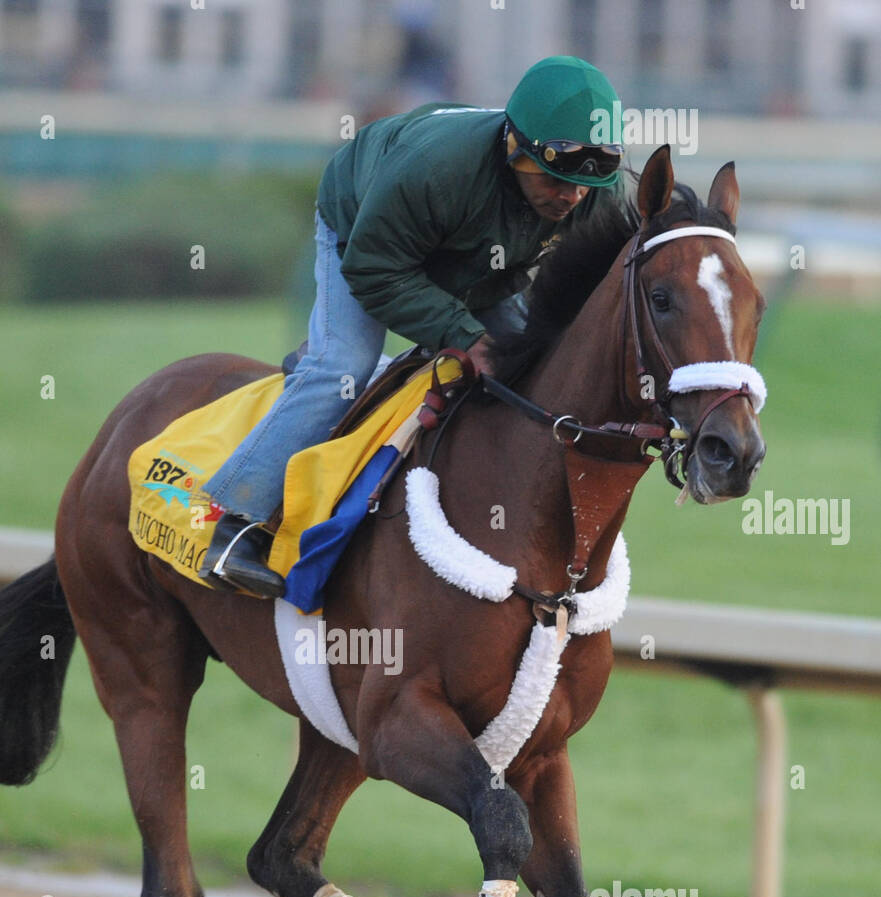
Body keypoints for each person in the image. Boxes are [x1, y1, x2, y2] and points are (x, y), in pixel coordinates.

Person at [200, 54, 626, 597]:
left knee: (530, 369)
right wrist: (466, 336)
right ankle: (235, 524)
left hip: (478, 258)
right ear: (515, 148)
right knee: (343, 367)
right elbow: (374, 270)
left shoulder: (591, 187)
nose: (570, 198)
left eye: (583, 187)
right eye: (553, 179)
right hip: (367, 236)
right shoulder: (437, 168)